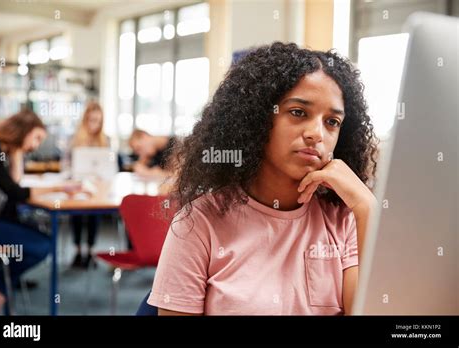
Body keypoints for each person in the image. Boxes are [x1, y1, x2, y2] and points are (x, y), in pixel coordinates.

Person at [146, 42, 379, 315]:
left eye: (332, 122)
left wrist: (367, 207)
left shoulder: (344, 220)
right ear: (255, 119)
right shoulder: (199, 223)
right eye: (298, 112)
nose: (317, 133)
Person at [0, 109, 75, 315]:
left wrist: (17, 154)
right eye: (36, 138)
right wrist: (59, 188)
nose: (36, 145)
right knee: (41, 245)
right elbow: (15, 192)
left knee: (41, 237)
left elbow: (13, 188)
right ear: (22, 130)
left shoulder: (4, 151)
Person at [68, 102, 109, 268]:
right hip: (77, 184)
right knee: (76, 213)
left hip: (97, 185)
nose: (94, 124)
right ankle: (78, 250)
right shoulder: (74, 140)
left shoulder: (105, 141)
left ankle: (91, 250)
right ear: (85, 120)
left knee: (94, 213)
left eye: (98, 121)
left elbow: (109, 165)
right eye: (91, 120)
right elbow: (66, 165)